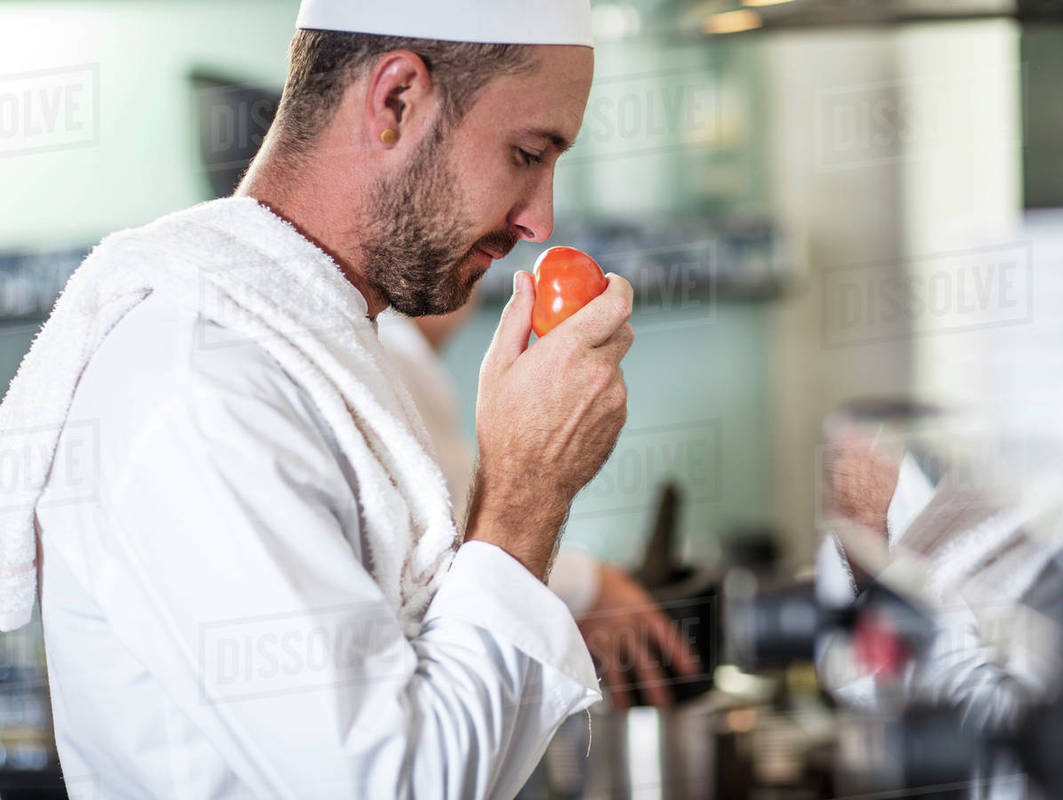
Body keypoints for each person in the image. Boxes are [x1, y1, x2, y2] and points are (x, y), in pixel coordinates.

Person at [1, 2, 640, 797]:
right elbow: (396, 785)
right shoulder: (204, 386)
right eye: (526, 153)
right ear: (397, 101)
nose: (538, 220)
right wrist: (528, 488)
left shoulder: (323, 348)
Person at [377, 295, 700, 711]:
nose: (528, 229)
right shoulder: (393, 357)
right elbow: (446, 550)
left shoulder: (404, 360)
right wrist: (588, 585)